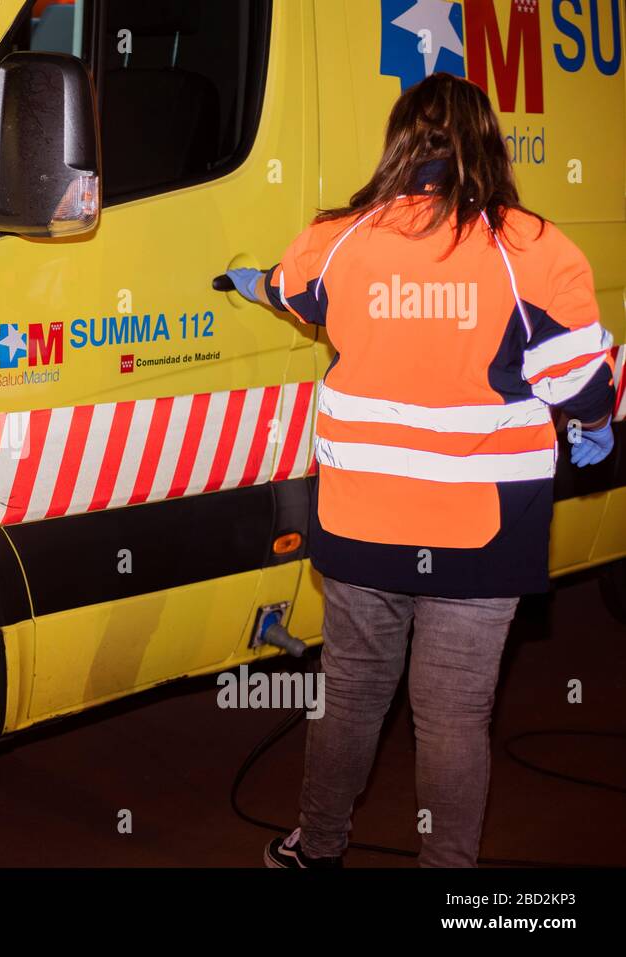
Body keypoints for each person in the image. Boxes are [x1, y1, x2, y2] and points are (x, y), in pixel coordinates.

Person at [227, 72, 616, 868]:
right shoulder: (531, 250)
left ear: (400, 142)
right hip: (482, 538)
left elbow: (291, 290)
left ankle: (320, 847)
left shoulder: (338, 238)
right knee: (452, 720)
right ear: (488, 143)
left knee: (352, 698)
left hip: (363, 526)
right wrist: (596, 424)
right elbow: (580, 383)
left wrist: (253, 284)